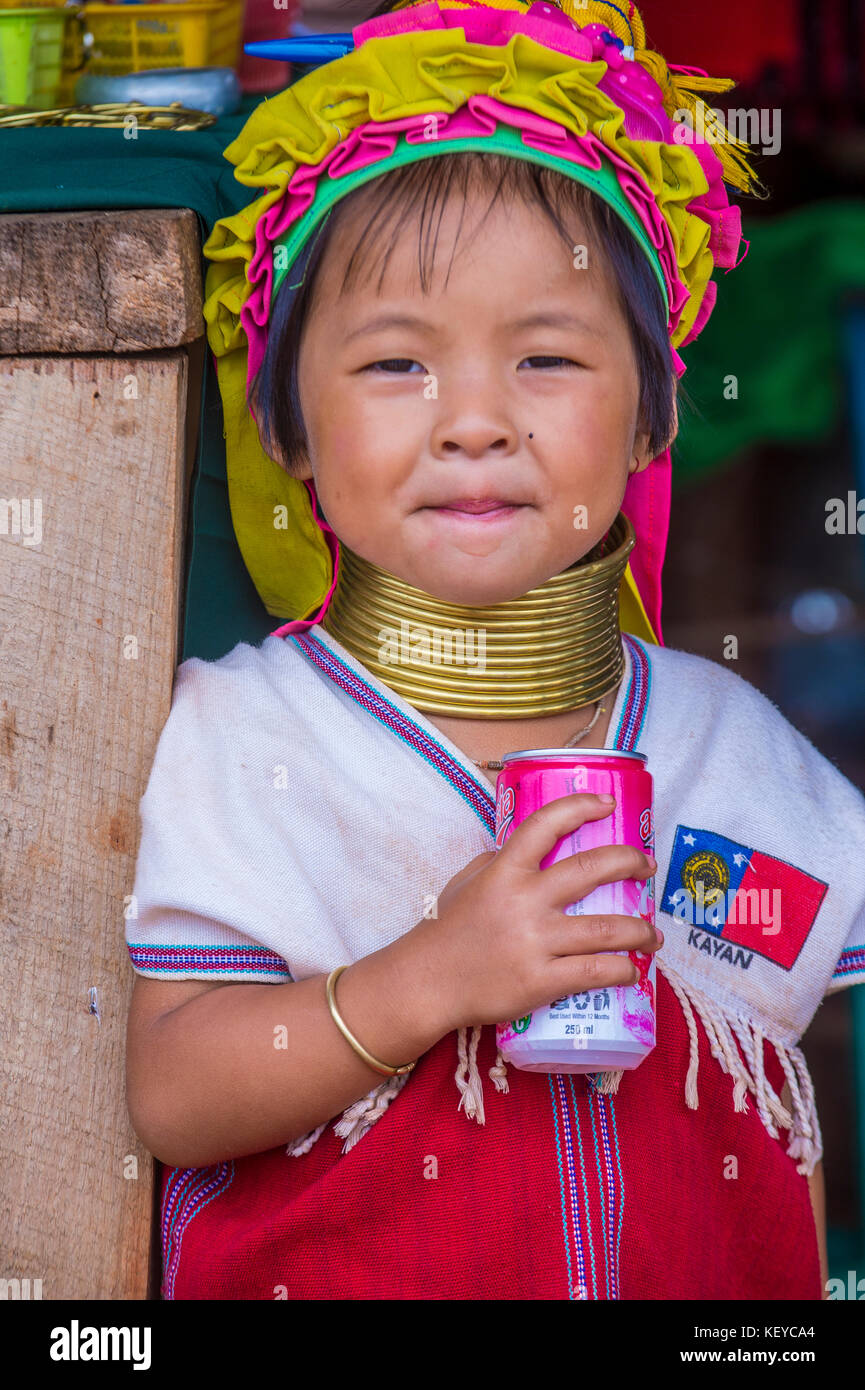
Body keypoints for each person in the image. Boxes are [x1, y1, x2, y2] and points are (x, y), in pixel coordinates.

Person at [124, 0, 865, 1300]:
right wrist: (420, 982)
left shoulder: (721, 745)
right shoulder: (250, 742)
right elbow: (174, 1093)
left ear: (651, 419)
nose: (473, 420)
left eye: (545, 357)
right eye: (397, 363)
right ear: (289, 430)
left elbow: (796, 1015)